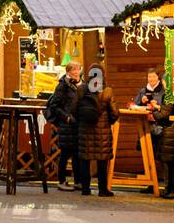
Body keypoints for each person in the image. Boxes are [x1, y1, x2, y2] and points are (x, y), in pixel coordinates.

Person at [72, 63, 119, 197]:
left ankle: (85, 189)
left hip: (84, 129)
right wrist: (107, 122)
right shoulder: (107, 91)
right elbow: (114, 113)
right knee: (102, 160)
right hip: (102, 131)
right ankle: (102, 190)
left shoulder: (81, 89)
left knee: (85, 160)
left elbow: (73, 109)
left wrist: (81, 120)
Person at [44, 61, 83, 190]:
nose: (77, 72)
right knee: (65, 153)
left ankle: (78, 181)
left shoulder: (82, 84)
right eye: (74, 70)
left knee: (77, 153)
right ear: (68, 72)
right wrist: (66, 117)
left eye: (78, 69)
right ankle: (61, 181)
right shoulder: (62, 86)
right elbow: (55, 106)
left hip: (78, 123)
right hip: (66, 124)